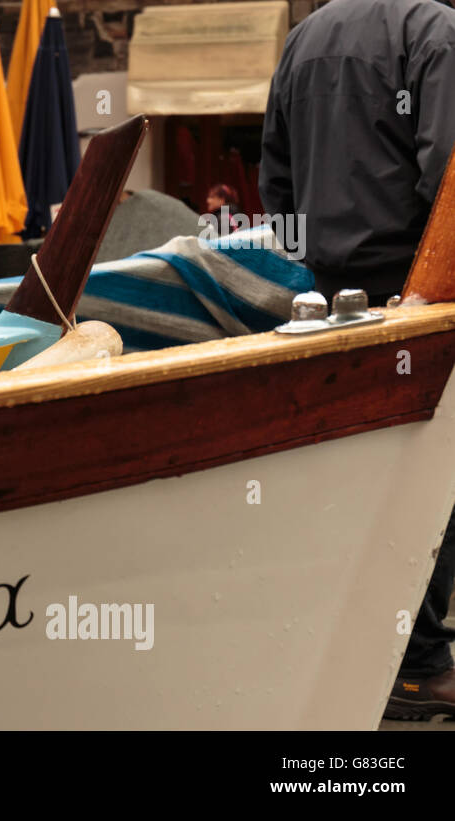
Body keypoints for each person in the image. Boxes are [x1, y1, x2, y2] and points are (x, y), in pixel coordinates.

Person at [259, 0, 455, 720]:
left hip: (326, 300)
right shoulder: (434, 29)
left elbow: (274, 187)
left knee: (358, 479)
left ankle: (371, 649)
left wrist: (310, 269)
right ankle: (417, 663)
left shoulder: (305, 38)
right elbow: (450, 171)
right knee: (433, 480)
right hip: (419, 291)